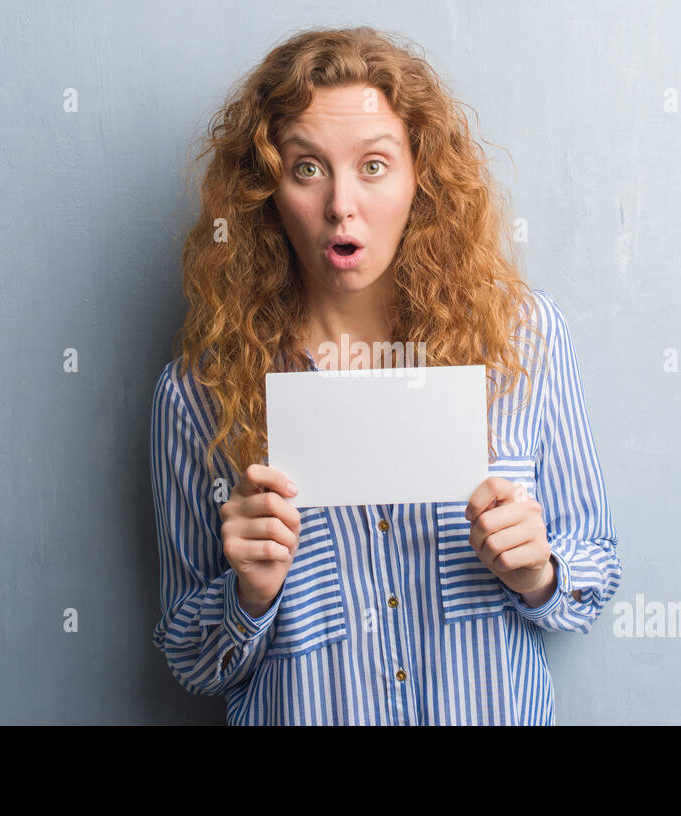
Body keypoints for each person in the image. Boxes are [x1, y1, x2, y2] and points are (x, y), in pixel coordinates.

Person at [150, 26, 621, 725]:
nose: (342, 204)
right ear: (266, 189)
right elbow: (189, 659)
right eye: (307, 168)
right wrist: (248, 596)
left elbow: (597, 569)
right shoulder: (197, 396)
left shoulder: (523, 336)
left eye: (373, 166)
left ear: (419, 176)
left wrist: (540, 574)